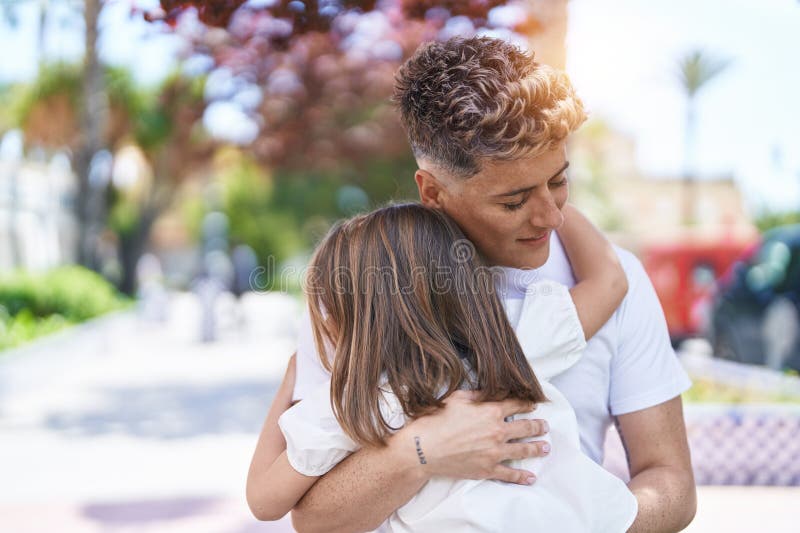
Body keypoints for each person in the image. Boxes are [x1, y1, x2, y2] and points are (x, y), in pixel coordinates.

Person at [274, 36, 695, 533]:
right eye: (514, 201)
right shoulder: (367, 291)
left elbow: (671, 483)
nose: (551, 215)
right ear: (432, 190)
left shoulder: (608, 280)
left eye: (558, 180)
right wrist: (423, 451)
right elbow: (314, 517)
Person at [247, 202, 637, 532]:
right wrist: (548, 200)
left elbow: (265, 501)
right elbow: (609, 280)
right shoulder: (515, 349)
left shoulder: (357, 404)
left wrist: (290, 381)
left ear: (350, 320)